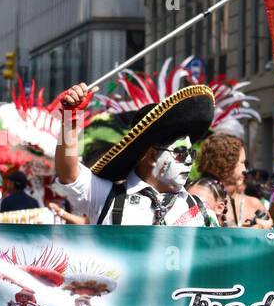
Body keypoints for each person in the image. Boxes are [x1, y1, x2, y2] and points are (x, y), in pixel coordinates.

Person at [54, 82, 215, 226]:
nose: (189, 161)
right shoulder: (106, 197)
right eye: (180, 152)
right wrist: (70, 119)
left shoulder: (201, 212)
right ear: (152, 156)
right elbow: (68, 174)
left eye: (191, 154)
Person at [197, 132, 267, 227]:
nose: (244, 170)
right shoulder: (202, 195)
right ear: (225, 162)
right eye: (242, 162)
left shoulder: (223, 194)